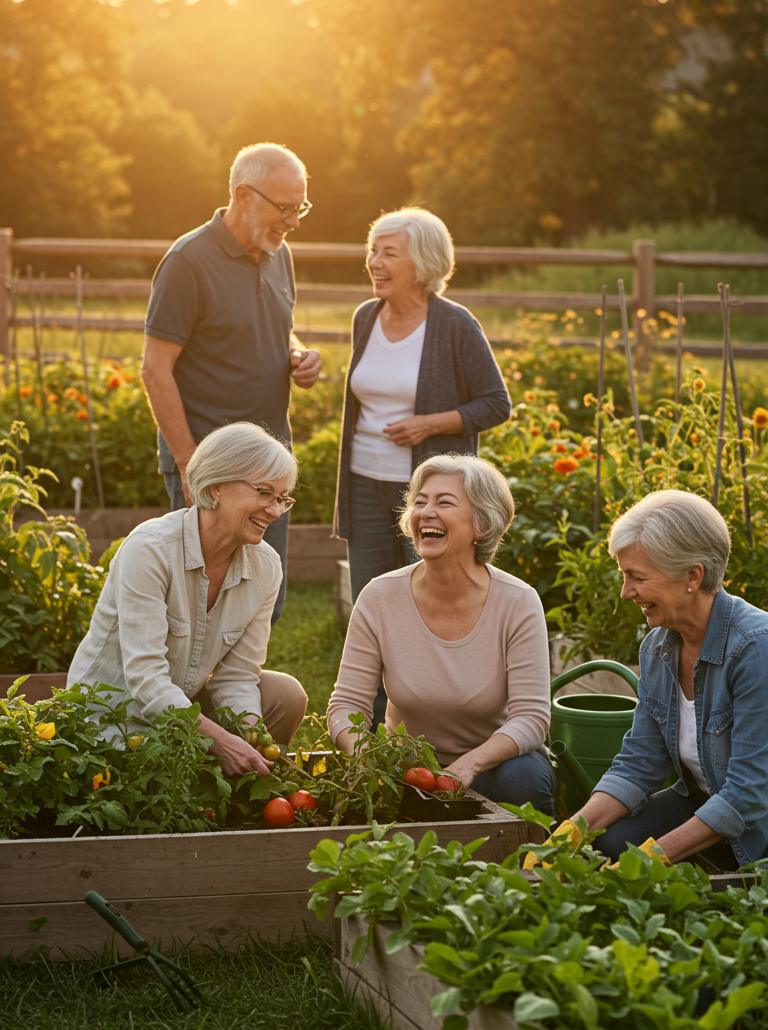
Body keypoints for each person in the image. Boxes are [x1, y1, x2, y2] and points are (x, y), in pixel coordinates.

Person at [334, 207, 511, 721]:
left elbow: (496, 403)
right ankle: (365, 730)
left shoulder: (455, 324)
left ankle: (427, 724)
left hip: (429, 498)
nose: (374, 262)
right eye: (372, 251)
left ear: (424, 263)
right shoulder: (366, 317)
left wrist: (428, 425)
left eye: (389, 253)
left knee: (426, 604)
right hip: (363, 483)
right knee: (371, 605)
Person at [141, 142, 322, 623]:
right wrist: (189, 464)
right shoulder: (188, 262)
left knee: (263, 600)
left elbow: (273, 326)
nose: (294, 221)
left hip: (270, 462)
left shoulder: (278, 252)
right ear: (244, 196)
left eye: (300, 207)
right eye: (285, 208)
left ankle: (244, 676)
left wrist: (297, 354)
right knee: (200, 602)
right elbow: (154, 368)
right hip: (212, 466)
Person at [68, 423, 308, 778]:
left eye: (281, 499)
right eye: (264, 493)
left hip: (180, 708)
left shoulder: (266, 566)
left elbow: (238, 675)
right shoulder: (150, 550)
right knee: (150, 784)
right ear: (216, 487)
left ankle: (238, 784)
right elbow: (146, 679)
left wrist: (252, 736)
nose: (274, 511)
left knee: (284, 694)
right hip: (112, 719)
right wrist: (221, 742)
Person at [327, 454, 556, 814]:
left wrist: (467, 766)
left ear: (482, 523)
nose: (426, 512)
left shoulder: (517, 602)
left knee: (523, 777)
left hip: (489, 768)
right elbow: (346, 705)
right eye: (420, 502)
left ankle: (533, 851)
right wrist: (369, 757)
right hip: (406, 773)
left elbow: (531, 718)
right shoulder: (380, 596)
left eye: (444, 502)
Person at [569, 489, 768, 869]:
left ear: (692, 575)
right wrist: (567, 836)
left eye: (637, 577)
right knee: (609, 841)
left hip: (759, 817)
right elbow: (639, 762)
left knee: (638, 862)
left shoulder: (756, 648)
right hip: (705, 798)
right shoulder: (658, 647)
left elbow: (749, 795)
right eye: (623, 575)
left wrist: (650, 860)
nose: (625, 592)